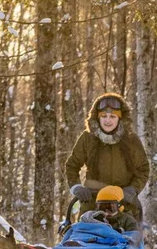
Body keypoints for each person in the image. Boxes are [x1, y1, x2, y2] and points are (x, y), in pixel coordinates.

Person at [63, 93, 150, 225]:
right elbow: (72, 165)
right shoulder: (87, 138)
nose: (107, 120)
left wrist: (132, 190)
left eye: (112, 116)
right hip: (92, 204)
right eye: (104, 116)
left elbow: (143, 169)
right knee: (85, 240)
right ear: (97, 117)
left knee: (125, 241)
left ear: (120, 118)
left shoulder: (132, 141)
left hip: (123, 205)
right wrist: (76, 187)